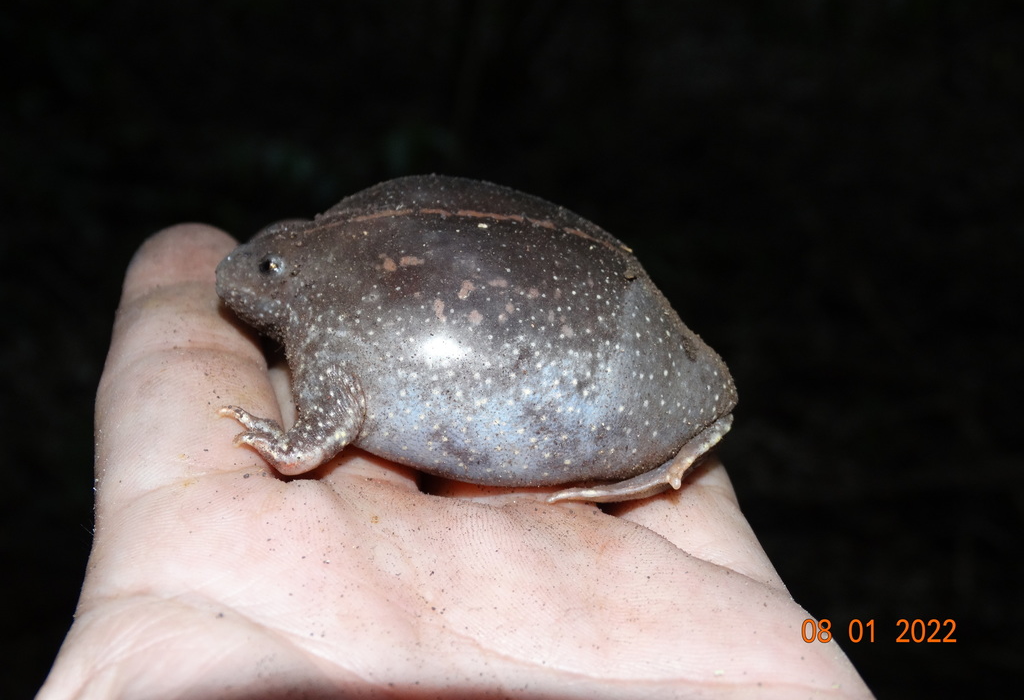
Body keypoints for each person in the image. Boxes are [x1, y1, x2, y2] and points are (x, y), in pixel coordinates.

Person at [39, 224, 873, 699]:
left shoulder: (326, 329)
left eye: (268, 270)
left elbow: (318, 434)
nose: (244, 279)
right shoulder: (343, 265)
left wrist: (286, 446)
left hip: (616, 365)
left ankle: (663, 448)